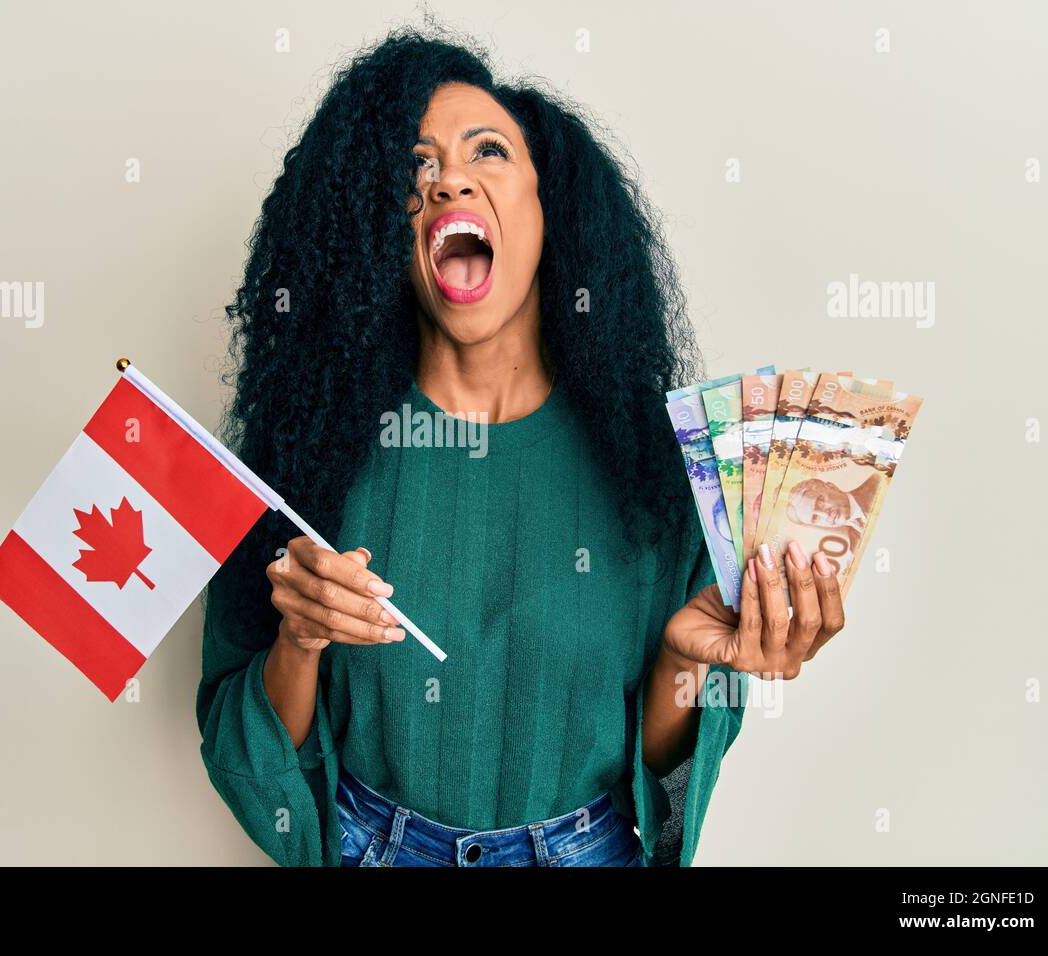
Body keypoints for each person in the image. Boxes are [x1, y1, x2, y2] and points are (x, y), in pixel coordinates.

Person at [196, 28, 847, 867]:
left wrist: (684, 663)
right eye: (411, 170)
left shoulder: (657, 470)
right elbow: (250, 755)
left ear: (552, 211)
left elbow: (662, 779)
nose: (445, 181)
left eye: (488, 152)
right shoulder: (313, 456)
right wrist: (300, 639)